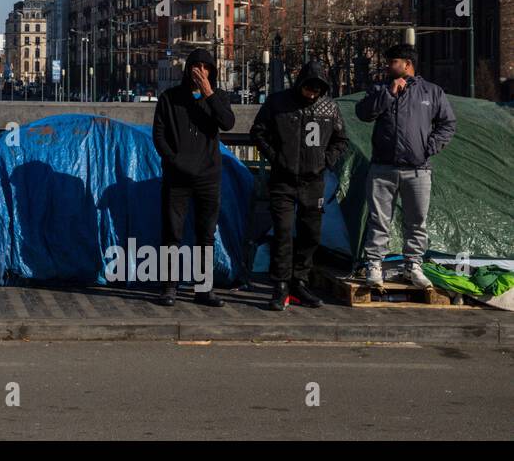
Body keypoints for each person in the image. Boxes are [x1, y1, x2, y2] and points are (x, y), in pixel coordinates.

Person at [354, 43, 456, 289]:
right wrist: (388, 94)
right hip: (383, 169)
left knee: (417, 220)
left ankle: (413, 265)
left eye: (392, 62)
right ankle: (374, 264)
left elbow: (448, 124)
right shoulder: (380, 88)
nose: (388, 66)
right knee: (379, 220)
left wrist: (428, 148)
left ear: (406, 64)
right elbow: (363, 114)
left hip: (418, 170)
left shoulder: (431, 92)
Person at [249, 59, 349, 310]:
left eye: (317, 90)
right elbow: (258, 131)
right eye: (308, 88)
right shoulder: (278, 102)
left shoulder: (329, 108)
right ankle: (280, 284)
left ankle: (299, 281)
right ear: (300, 84)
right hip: (283, 179)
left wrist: (326, 161)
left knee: (310, 233)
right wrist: (276, 158)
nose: (312, 94)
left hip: (313, 180)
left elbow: (341, 139)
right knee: (282, 231)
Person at [151, 48, 235, 307]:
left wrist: (208, 92)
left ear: (212, 71)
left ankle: (204, 288)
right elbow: (159, 134)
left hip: (208, 177)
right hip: (177, 177)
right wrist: (173, 160)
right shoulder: (170, 97)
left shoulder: (218, 96)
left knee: (206, 234)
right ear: (187, 69)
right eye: (196, 66)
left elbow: (228, 123)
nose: (200, 71)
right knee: (172, 233)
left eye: (206, 67)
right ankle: (169, 287)